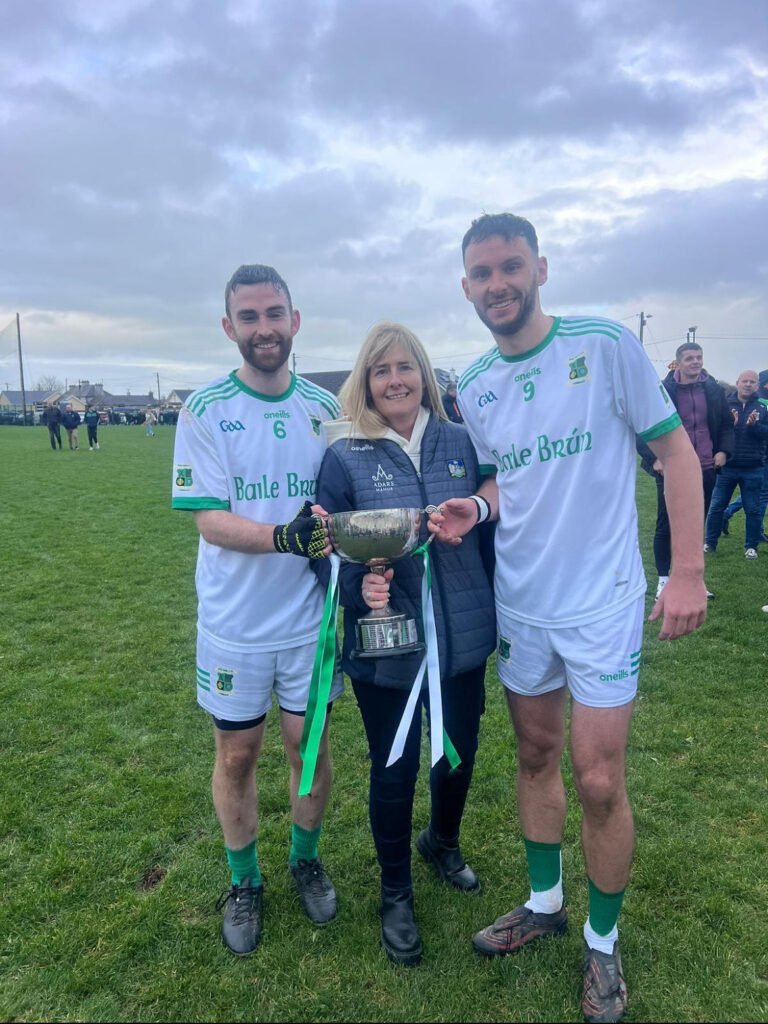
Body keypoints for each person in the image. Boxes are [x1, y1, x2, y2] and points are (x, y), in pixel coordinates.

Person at [429, 213, 707, 1024]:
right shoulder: (476, 383)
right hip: (523, 603)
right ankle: (545, 903)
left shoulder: (604, 345)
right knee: (535, 754)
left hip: (602, 603)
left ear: (540, 269)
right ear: (466, 286)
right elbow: (501, 480)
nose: (498, 284)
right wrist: (478, 508)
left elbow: (676, 454)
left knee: (599, 778)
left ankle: (603, 944)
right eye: (483, 273)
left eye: (511, 266)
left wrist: (688, 573)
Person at [171, 264, 343, 957]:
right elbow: (208, 519)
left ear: (294, 321)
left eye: (275, 314)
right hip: (234, 625)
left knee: (310, 748)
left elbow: (345, 500)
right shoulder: (205, 409)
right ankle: (245, 880)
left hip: (307, 623)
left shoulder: (324, 409)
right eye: (249, 317)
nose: (264, 328)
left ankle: (305, 859)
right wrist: (283, 537)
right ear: (229, 327)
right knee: (237, 754)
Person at [314, 322, 495, 967]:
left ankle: (442, 840)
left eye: (406, 367)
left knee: (458, 753)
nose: (395, 380)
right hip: (386, 644)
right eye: (381, 369)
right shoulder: (344, 455)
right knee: (394, 767)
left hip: (462, 633)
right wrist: (357, 588)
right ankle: (395, 893)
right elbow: (326, 549)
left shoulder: (459, 440)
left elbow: (491, 527)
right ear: (365, 381)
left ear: (424, 374)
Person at [637, 340, 733, 599]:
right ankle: (664, 579)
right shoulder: (662, 390)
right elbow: (641, 426)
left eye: (699, 357)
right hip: (671, 468)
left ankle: (692, 580)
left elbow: (726, 424)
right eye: (689, 358)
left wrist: (723, 451)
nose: (696, 362)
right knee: (666, 524)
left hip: (705, 467)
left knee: (695, 525)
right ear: (677, 363)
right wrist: (654, 459)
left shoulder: (713, 390)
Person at [704, 371, 768, 559]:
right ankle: (709, 543)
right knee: (717, 506)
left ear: (757, 385)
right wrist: (731, 424)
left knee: (753, 509)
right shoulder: (725, 403)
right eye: (745, 381)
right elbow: (715, 429)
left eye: (752, 382)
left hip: (754, 466)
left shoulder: (763, 406)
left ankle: (751, 547)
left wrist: (754, 426)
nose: (748, 384)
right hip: (727, 466)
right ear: (738, 383)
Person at [721, 369, 768, 543]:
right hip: (760, 455)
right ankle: (756, 532)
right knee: (761, 494)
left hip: (760, 454)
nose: (749, 385)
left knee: (759, 493)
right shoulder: (761, 402)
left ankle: (728, 513)